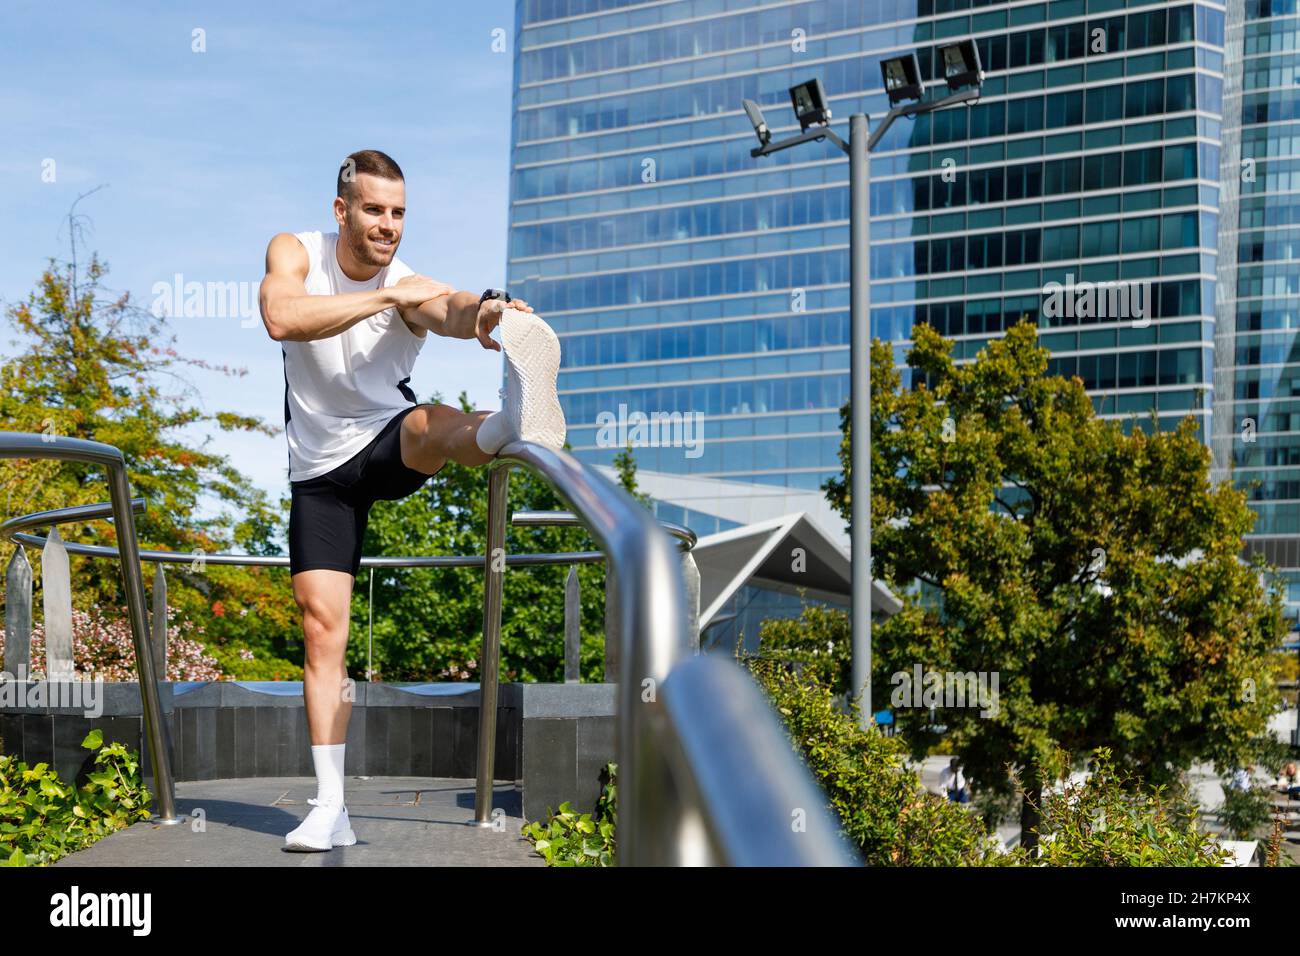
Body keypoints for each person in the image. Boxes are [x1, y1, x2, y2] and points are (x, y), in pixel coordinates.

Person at [260, 149, 566, 851]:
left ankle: (506, 425)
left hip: (382, 442)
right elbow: (282, 316)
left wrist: (488, 313)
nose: (387, 225)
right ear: (342, 211)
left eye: (398, 213)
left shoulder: (410, 283)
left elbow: (451, 309)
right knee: (320, 631)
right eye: (374, 210)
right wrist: (385, 299)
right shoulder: (296, 251)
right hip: (316, 475)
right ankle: (331, 806)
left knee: (429, 423)